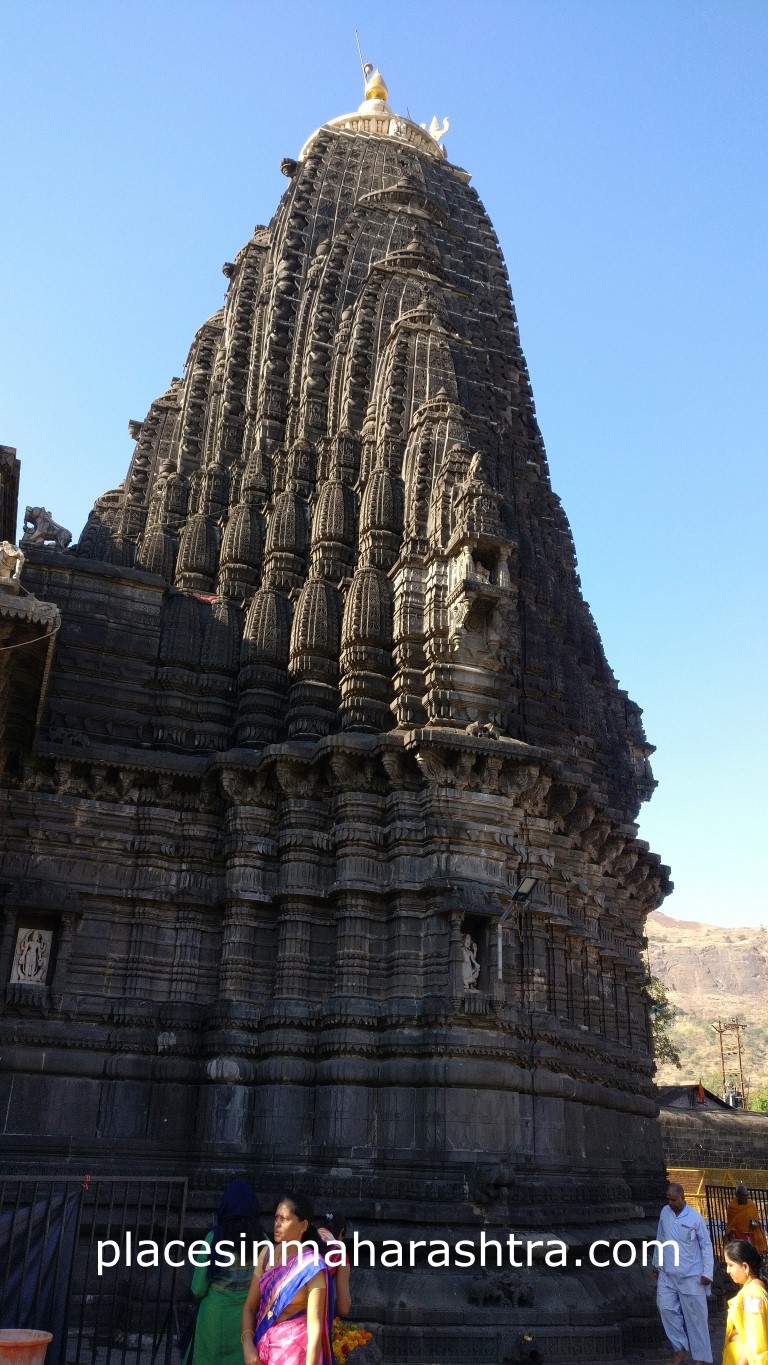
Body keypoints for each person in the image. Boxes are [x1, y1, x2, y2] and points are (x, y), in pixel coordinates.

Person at [242, 1195, 334, 1365]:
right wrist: (247, 1345)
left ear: (303, 1225)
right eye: (276, 1217)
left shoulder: (311, 1265)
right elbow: (249, 1307)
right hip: (262, 1354)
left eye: (284, 1219)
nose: (277, 1224)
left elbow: (315, 1328)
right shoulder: (266, 1256)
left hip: (296, 1355)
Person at [184, 1181, 263, 1365]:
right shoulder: (264, 1242)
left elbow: (197, 1288)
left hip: (214, 1321)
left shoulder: (213, 1239)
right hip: (249, 1322)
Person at [652, 1182, 714, 1365]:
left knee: (696, 1318)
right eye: (668, 1199)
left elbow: (706, 1245)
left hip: (691, 1275)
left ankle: (700, 1358)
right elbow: (660, 1237)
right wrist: (656, 1263)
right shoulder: (665, 1213)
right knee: (665, 1308)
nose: (671, 1203)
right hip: (667, 1273)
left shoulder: (694, 1218)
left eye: (674, 1199)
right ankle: (680, 1349)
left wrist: (707, 1272)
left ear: (683, 1197)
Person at [722, 1239, 768, 1365]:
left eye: (731, 1265)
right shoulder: (752, 1291)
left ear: (745, 1267)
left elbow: (753, 1340)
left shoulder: (753, 1296)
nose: (727, 1270)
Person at [316, 1212, 351, 1318]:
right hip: (313, 1314)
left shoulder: (300, 1238)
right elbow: (343, 1308)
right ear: (342, 1232)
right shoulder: (339, 1253)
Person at [726, 1188, 768, 1255]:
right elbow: (731, 1223)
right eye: (743, 1195)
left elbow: (756, 1219)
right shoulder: (732, 1207)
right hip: (737, 1235)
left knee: (752, 1255)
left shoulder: (751, 1204)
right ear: (737, 1196)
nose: (745, 1197)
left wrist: (755, 1223)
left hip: (751, 1235)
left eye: (746, 1195)